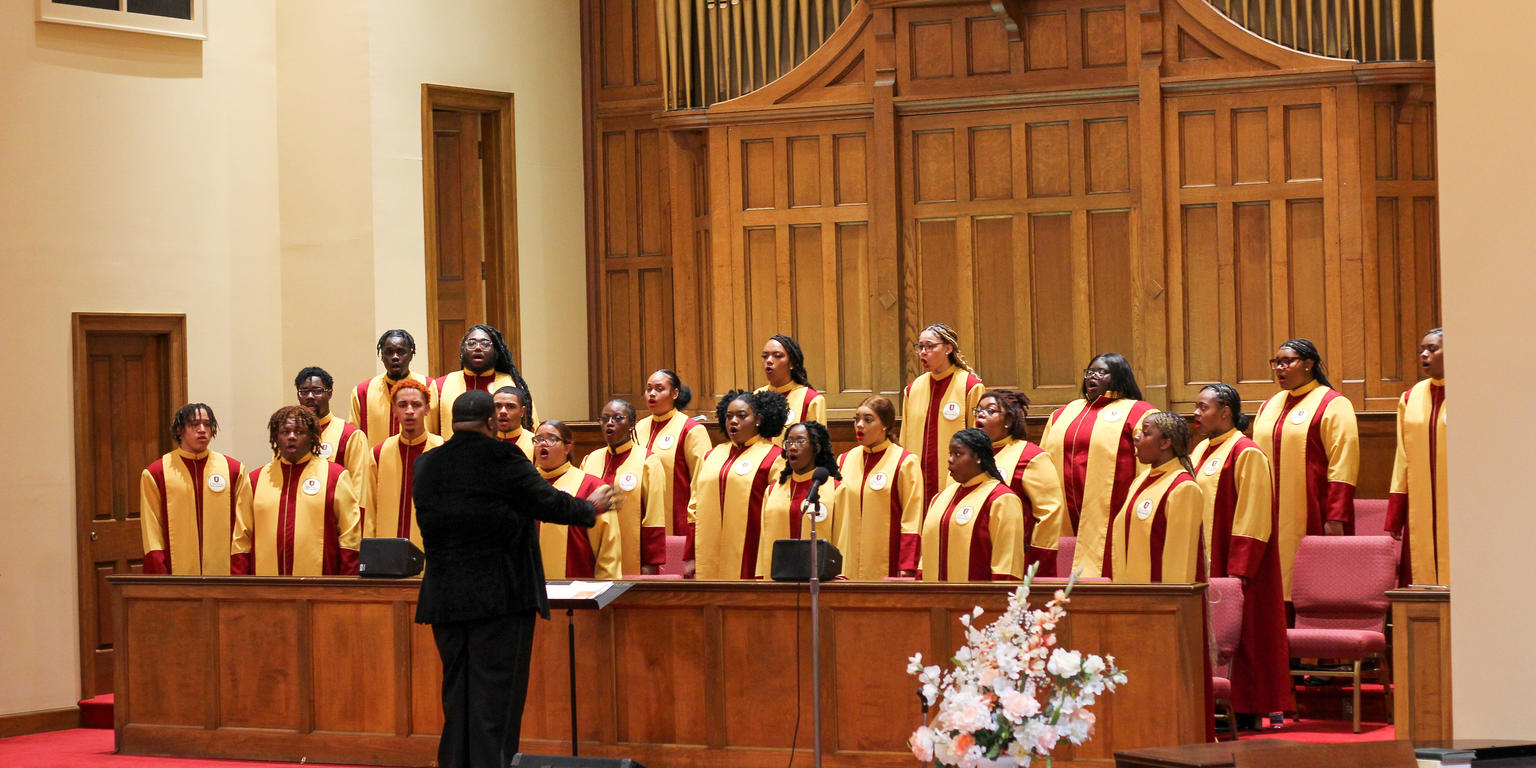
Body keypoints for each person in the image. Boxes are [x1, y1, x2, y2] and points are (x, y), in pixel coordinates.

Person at [413, 390, 615, 768]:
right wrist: (591, 507)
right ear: (491, 422)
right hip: (499, 597)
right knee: (495, 699)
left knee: (457, 696)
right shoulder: (503, 456)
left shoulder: (426, 465)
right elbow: (546, 501)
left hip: (445, 598)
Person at [1190, 383, 1292, 718]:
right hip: (1205, 558)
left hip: (1238, 566)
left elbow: (1254, 514)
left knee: (1245, 635)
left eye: (1203, 407)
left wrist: (1239, 570)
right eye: (1196, 407)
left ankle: (1246, 708)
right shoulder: (1200, 451)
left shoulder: (1246, 452)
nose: (1196, 413)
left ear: (1225, 412)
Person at [1250, 338, 1359, 599]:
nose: (1279, 368)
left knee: (1312, 586)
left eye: (1287, 362)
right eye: (1276, 362)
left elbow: (1343, 464)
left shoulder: (1333, 403)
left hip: (1314, 510)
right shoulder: (1269, 405)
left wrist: (1336, 516)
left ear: (1309, 364)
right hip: (1269, 513)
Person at [1038, 352, 1158, 578]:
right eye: (1089, 372)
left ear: (1120, 377)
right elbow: (1043, 463)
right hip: (1063, 511)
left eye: (1102, 372)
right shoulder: (1062, 414)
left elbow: (1150, 467)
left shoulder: (1139, 412)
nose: (1092, 376)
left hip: (1113, 511)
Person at [235, 406, 362, 575]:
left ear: (312, 437)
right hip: (266, 588)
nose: (292, 437)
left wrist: (346, 586)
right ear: (276, 438)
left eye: (299, 432)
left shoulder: (335, 476)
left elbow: (350, 537)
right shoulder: (255, 480)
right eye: (285, 432)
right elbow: (241, 539)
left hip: (321, 586)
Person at [139, 403, 253, 575]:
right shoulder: (156, 474)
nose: (202, 430)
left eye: (207, 424)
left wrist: (238, 572)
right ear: (179, 430)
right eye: (194, 424)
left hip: (225, 576)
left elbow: (243, 527)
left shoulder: (233, 471)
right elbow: (151, 532)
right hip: (175, 576)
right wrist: (161, 576)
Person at [686, 389, 787, 580]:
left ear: (758, 419)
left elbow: (777, 513)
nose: (733, 421)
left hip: (751, 551)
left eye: (741, 416)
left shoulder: (774, 457)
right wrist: (691, 556)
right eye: (729, 416)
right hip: (709, 552)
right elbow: (694, 507)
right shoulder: (712, 454)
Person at [973, 388, 1068, 576]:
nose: (982, 414)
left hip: (1018, 560)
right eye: (978, 410)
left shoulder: (1030, 456)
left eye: (990, 411)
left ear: (1008, 421)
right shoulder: (969, 456)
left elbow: (1049, 514)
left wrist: (1037, 563)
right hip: (975, 552)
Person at [1106, 412, 1204, 583]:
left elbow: (1181, 561)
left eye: (1145, 432)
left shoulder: (1183, 487)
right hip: (1131, 595)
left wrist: (1170, 607)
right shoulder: (1140, 480)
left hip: (1162, 601)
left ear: (1165, 443)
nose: (1136, 437)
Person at [836, 395, 924, 580]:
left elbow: (912, 517)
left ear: (885, 425)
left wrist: (908, 564)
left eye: (868, 420)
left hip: (887, 562)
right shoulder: (844, 460)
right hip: (846, 563)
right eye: (857, 419)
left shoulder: (905, 462)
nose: (860, 424)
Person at [919, 428, 1025, 582]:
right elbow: (925, 560)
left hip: (979, 603)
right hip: (934, 601)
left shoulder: (1001, 499)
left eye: (958, 453)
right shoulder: (939, 498)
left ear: (978, 457)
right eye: (950, 453)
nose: (950, 459)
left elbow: (1007, 566)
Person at [1387, 328, 1448, 586]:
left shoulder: (1474, 393)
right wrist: (1396, 512)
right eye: (1422, 350)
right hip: (1420, 505)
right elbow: (1403, 457)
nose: (1424, 354)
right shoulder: (1410, 397)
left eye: (1432, 349)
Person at [901, 323, 985, 506]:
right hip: (917, 484)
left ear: (948, 348)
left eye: (930, 346)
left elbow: (980, 443)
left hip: (955, 483)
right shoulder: (912, 389)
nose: (923, 352)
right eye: (920, 346)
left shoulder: (970, 387)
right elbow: (904, 440)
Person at [531, 420, 622, 580]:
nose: (543, 444)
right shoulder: (525, 486)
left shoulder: (593, 487)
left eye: (551, 439)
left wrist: (605, 592)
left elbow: (608, 550)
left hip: (580, 593)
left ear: (567, 447)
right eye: (538, 439)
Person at [580, 398, 662, 576]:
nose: (610, 423)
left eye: (618, 418)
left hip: (632, 555)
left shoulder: (648, 460)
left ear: (632, 424)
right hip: (592, 550)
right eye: (605, 418)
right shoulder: (590, 459)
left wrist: (651, 563)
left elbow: (654, 516)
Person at [756, 422, 844, 579]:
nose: (792, 447)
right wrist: (761, 576)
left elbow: (843, 539)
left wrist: (840, 578)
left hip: (822, 584)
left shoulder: (836, 490)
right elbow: (763, 541)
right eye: (788, 442)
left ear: (816, 447)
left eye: (800, 441)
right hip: (776, 583)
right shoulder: (772, 490)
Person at [364, 379, 442, 548]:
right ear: (394, 410)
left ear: (427, 409)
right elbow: (370, 511)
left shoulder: (444, 452)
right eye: (402, 405)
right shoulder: (378, 454)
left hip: (431, 552)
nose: (409, 411)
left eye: (416, 404)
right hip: (386, 553)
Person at [637, 369, 712, 542]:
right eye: (649, 389)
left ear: (675, 393)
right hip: (642, 521)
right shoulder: (638, 428)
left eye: (659, 389)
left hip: (679, 524)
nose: (652, 394)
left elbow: (701, 482)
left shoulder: (691, 430)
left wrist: (695, 522)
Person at [434, 324, 537, 437]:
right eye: (472, 343)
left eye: (485, 344)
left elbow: (531, 433)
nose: (478, 347)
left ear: (496, 351)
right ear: (462, 350)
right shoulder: (440, 385)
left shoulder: (513, 385)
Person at [296, 365, 372, 508]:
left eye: (317, 391)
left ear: (329, 393)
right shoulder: (290, 436)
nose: (310, 396)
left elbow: (358, 493)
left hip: (335, 522)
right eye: (304, 391)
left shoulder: (350, 436)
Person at [348, 329, 439, 447]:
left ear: (411, 355)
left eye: (401, 352)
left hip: (423, 462)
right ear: (382, 356)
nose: (395, 357)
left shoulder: (430, 387)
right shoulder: (362, 392)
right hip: (376, 463)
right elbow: (355, 441)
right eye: (389, 352)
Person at [756, 334, 826, 444]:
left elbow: (819, 447)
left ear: (792, 363)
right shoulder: (756, 396)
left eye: (777, 356)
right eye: (765, 356)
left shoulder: (811, 399)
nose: (769, 360)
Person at [492, 386, 535, 460]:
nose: (503, 411)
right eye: (497, 406)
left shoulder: (535, 444)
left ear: (522, 411)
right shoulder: (481, 443)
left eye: (511, 406)